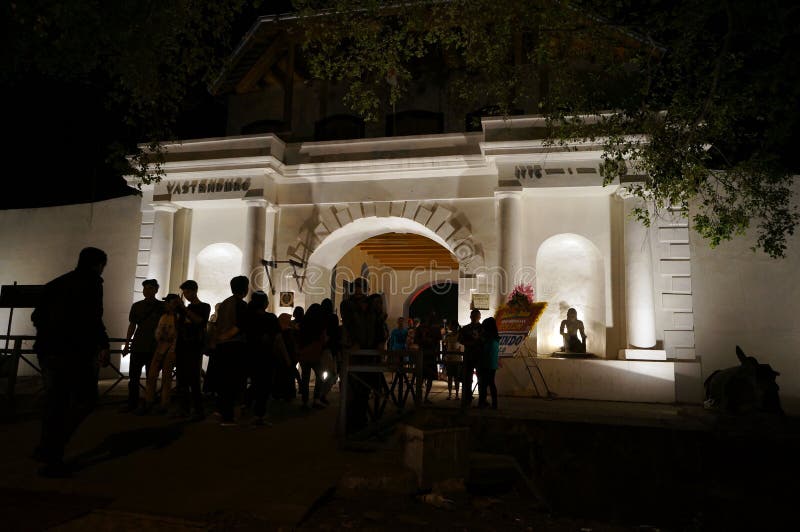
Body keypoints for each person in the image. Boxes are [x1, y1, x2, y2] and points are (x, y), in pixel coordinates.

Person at [31, 247, 111, 477]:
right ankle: (52, 453)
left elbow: (36, 317)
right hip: (75, 353)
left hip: (48, 351)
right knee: (84, 401)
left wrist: (49, 335)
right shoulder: (92, 283)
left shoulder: (55, 284)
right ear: (98, 265)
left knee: (56, 402)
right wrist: (102, 344)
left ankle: (46, 447)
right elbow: (93, 317)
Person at [340, 277, 383, 433]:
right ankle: (349, 424)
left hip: (368, 353)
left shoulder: (370, 306)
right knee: (352, 389)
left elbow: (377, 324)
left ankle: (362, 421)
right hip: (354, 352)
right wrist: (355, 342)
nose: (358, 290)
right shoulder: (347, 304)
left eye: (361, 287)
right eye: (356, 287)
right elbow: (349, 323)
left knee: (365, 390)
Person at [120, 279, 164, 413]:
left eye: (150, 288)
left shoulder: (162, 307)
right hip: (138, 345)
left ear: (156, 290)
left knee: (152, 378)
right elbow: (132, 325)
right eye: (145, 288)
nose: (147, 291)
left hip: (153, 347)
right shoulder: (137, 306)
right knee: (133, 378)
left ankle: (148, 402)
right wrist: (127, 344)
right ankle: (132, 403)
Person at [213, 275, 250, 426]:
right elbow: (239, 326)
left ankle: (221, 410)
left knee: (223, 381)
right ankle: (228, 417)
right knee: (233, 382)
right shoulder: (241, 305)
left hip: (222, 347)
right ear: (245, 289)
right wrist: (225, 337)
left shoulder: (224, 303)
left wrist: (219, 338)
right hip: (235, 346)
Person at [174, 280, 210, 420]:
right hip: (182, 346)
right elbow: (178, 327)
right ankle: (183, 409)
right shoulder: (183, 309)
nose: (186, 295)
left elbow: (200, 322)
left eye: (188, 291)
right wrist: (175, 311)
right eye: (184, 292)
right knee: (181, 380)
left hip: (195, 346)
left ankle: (198, 410)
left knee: (194, 379)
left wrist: (183, 308)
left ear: (195, 291)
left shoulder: (204, 307)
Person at [245, 290, 280, 425]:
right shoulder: (270, 318)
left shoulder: (248, 317)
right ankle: (259, 414)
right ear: (265, 303)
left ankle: (246, 405)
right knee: (264, 386)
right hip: (266, 357)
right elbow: (278, 339)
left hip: (250, 355)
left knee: (254, 383)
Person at [142, 293, 181, 414]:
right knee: (152, 376)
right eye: (167, 302)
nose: (167, 304)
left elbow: (177, 335)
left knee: (166, 378)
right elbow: (158, 332)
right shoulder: (164, 316)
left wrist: (172, 347)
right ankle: (149, 401)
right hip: (160, 349)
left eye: (169, 302)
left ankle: (164, 404)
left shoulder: (178, 317)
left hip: (170, 350)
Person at [296, 303, 328, 410]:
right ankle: (316, 399)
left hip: (304, 353)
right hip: (315, 353)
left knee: (305, 378)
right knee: (320, 375)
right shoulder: (320, 323)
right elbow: (323, 339)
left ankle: (305, 402)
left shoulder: (304, 323)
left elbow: (299, 339)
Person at [458, 309, 483, 409]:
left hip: (479, 356)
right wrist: (468, 343)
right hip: (468, 355)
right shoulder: (465, 328)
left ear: (479, 317)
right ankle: (467, 398)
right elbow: (460, 339)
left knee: (481, 379)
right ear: (470, 317)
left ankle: (481, 400)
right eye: (473, 316)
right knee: (467, 379)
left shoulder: (482, 328)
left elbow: (484, 340)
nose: (475, 318)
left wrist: (478, 341)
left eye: (476, 316)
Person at [416, 313, 442, 404]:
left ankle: (425, 397)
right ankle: (420, 397)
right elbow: (417, 341)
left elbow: (438, 342)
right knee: (421, 377)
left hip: (431, 355)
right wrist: (424, 340)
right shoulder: (420, 328)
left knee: (429, 377)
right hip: (423, 355)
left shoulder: (435, 329)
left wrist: (438, 355)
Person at [478, 317, 500, 409]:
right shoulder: (495, 338)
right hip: (492, 365)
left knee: (484, 385)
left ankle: (482, 403)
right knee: (491, 384)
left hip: (486, 364)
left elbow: (484, 352)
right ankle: (493, 404)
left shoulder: (489, 339)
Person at [443, 321, 462, 401]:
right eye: (452, 326)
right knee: (450, 378)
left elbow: (461, 347)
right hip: (450, 358)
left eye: (454, 326)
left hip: (457, 359)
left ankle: (457, 394)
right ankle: (450, 394)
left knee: (456, 378)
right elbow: (445, 345)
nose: (452, 328)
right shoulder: (448, 335)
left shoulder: (459, 336)